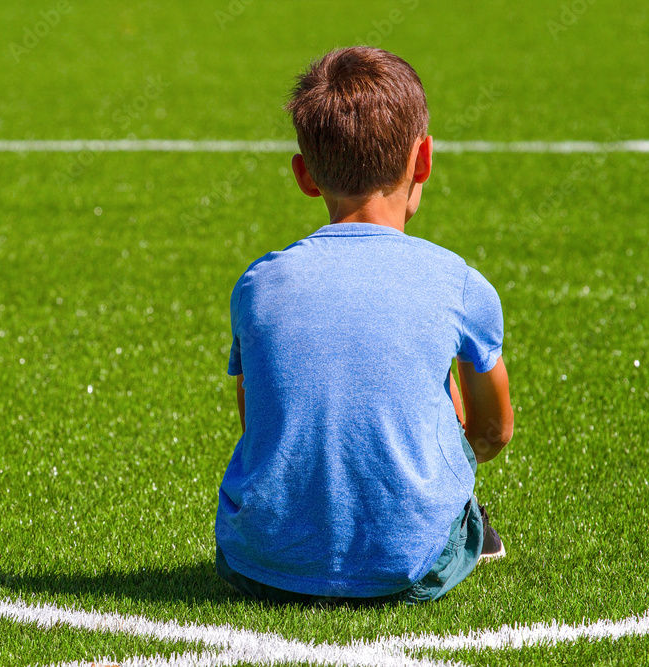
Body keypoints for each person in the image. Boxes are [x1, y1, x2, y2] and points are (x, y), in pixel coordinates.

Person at [215, 46, 514, 605]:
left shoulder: (258, 284)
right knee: (436, 379)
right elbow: (495, 431)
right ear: (422, 159)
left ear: (305, 175)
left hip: (256, 564)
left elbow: (256, 421)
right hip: (412, 567)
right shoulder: (459, 282)